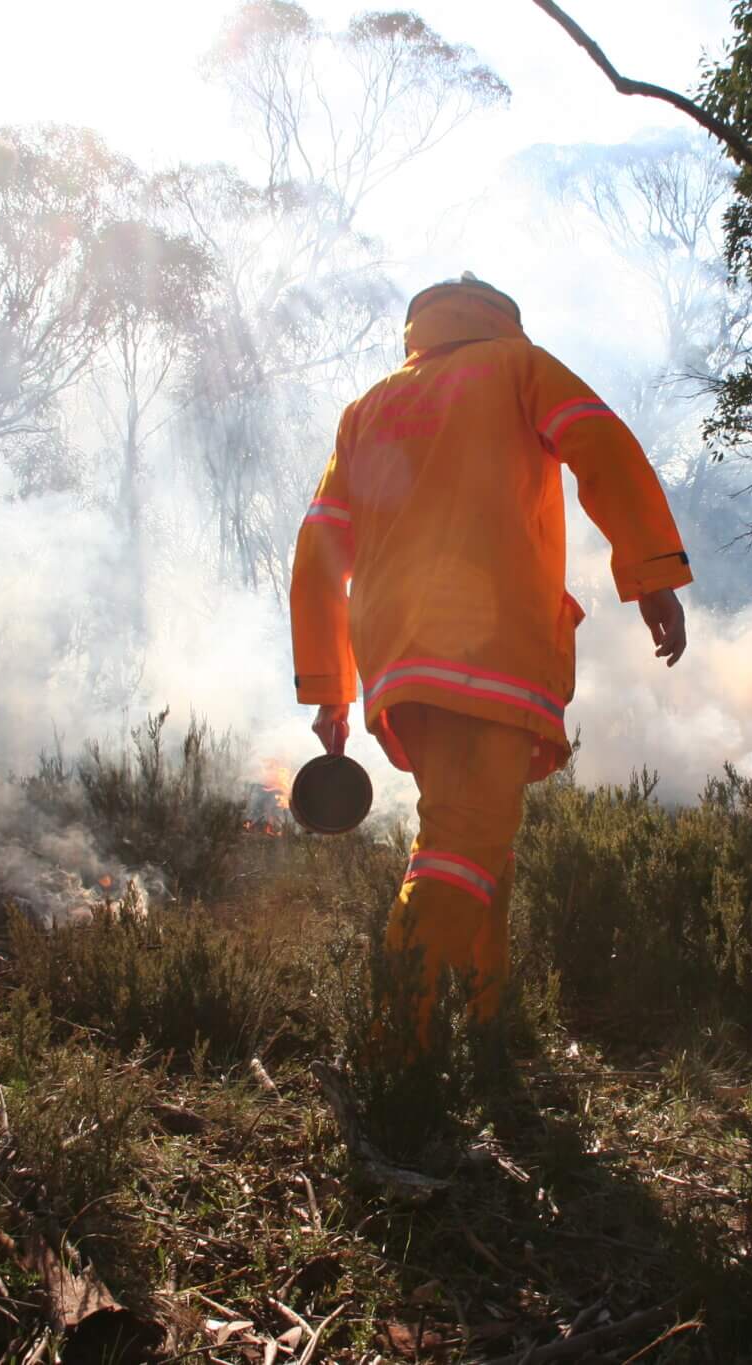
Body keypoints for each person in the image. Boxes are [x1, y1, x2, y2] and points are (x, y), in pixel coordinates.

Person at [289, 273, 692, 1044]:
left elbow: (318, 546)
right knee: (464, 843)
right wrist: (651, 570)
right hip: (491, 646)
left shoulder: (369, 407)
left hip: (398, 660)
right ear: (502, 316)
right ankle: (392, 1047)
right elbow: (598, 439)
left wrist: (330, 686)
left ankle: (487, 1028)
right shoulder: (519, 366)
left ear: (419, 326)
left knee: (473, 834)